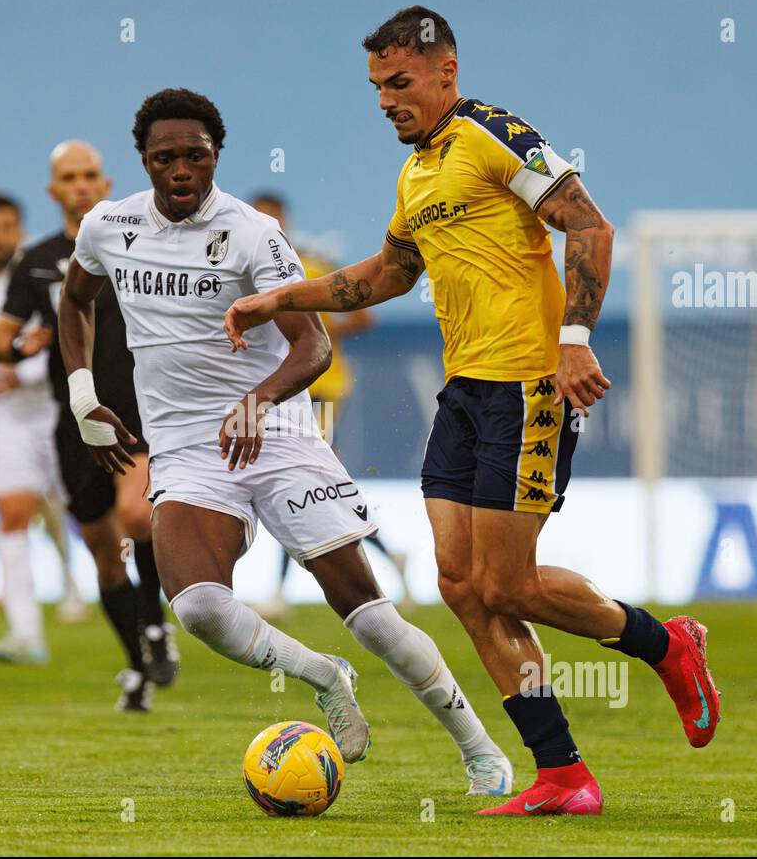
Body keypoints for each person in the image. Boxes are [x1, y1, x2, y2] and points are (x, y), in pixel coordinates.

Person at [226, 7, 721, 816]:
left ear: (445, 72)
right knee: (461, 585)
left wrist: (573, 339)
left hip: (529, 384)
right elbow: (386, 273)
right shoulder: (418, 172)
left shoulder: (495, 134)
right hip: (463, 391)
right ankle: (563, 774)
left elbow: (590, 227)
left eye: (400, 82)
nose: (387, 99)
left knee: (510, 584)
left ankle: (666, 645)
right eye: (377, 87)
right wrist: (282, 296)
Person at [56, 88, 514, 795]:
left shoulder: (252, 233)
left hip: (277, 435)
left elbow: (314, 346)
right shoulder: (107, 226)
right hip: (185, 447)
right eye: (165, 158)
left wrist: (258, 399)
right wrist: (84, 393)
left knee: (368, 614)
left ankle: (479, 748)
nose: (181, 171)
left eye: (196, 156)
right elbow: (76, 300)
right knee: (201, 607)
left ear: (217, 155)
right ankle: (322, 675)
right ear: (143, 161)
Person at [0, 143, 177, 711]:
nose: (81, 185)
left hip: (138, 410)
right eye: (69, 177)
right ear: (53, 191)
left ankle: (157, 628)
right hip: (75, 421)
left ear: (106, 181)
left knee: (139, 515)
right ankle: (136, 665)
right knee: (101, 554)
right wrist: (23, 344)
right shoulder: (38, 260)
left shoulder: (141, 245)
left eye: (90, 174)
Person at [248, 192, 414, 621]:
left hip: (317, 388)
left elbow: (363, 315)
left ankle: (281, 592)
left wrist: (319, 336)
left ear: (284, 219)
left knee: (300, 481)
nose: (268, 224)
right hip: (278, 388)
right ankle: (388, 553)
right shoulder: (245, 265)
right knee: (316, 485)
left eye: (274, 217)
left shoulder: (306, 264)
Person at [0, 193, 87, 664]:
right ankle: (26, 634)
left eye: (7, 226)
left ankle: (134, 609)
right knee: (13, 513)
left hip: (56, 410)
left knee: (87, 512)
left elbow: (61, 338)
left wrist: (18, 366)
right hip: (12, 422)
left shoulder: (41, 272)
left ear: (19, 228)